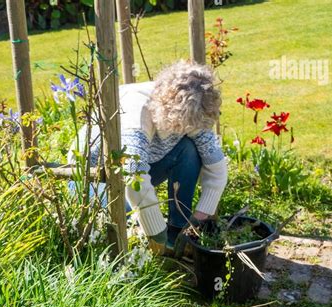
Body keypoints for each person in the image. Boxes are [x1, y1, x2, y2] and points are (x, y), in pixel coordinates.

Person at [68, 60, 228, 254]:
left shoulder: (194, 107)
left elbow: (216, 166)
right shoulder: (137, 111)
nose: (186, 130)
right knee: (122, 217)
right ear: (169, 110)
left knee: (189, 149)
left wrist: (200, 217)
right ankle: (146, 240)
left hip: (138, 169)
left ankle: (177, 230)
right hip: (94, 180)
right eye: (182, 125)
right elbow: (134, 176)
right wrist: (155, 231)